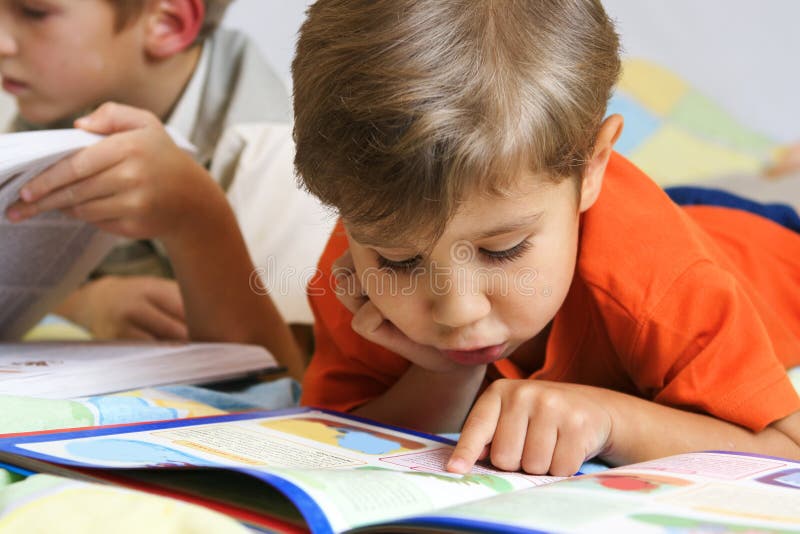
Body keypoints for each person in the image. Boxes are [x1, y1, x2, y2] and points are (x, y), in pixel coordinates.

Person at [291, 0, 800, 476]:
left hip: (762, 239)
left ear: (592, 168)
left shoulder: (661, 284)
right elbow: (342, 434)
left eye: (502, 249)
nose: (458, 311)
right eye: (400, 261)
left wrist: (613, 421)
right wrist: (447, 371)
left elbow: (786, 453)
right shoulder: (365, 243)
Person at [0, 0, 333, 354]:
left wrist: (193, 214)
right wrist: (83, 303)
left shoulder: (281, 153)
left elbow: (285, 373)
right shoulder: (55, 101)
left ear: (168, 23)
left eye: (34, 12)